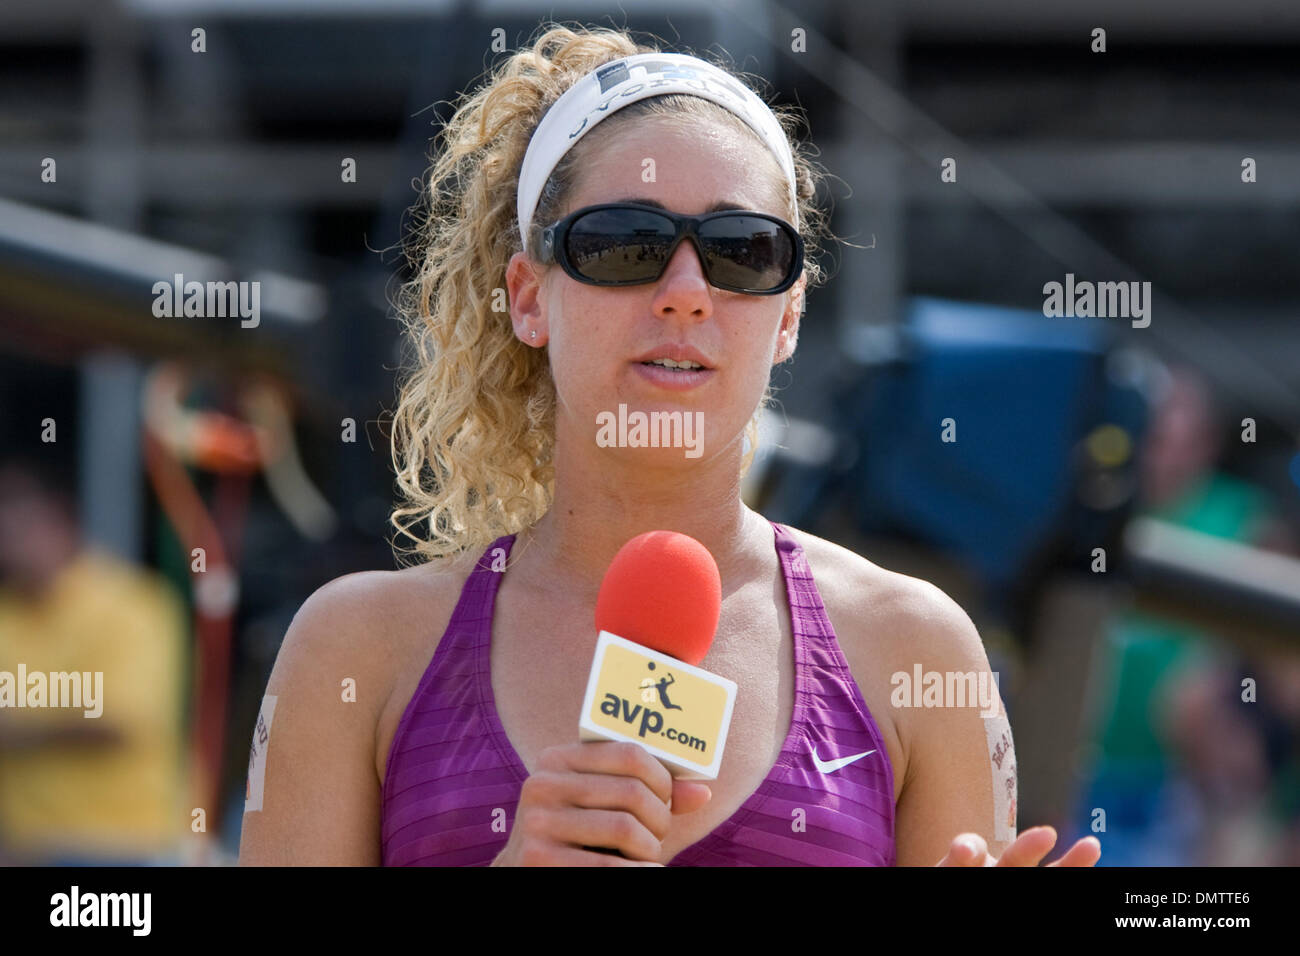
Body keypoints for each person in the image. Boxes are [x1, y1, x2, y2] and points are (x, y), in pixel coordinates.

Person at [238, 23, 1101, 867]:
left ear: (790, 313)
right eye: (625, 244)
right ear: (528, 298)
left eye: (742, 252)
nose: (687, 292)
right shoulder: (357, 648)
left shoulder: (916, 648)